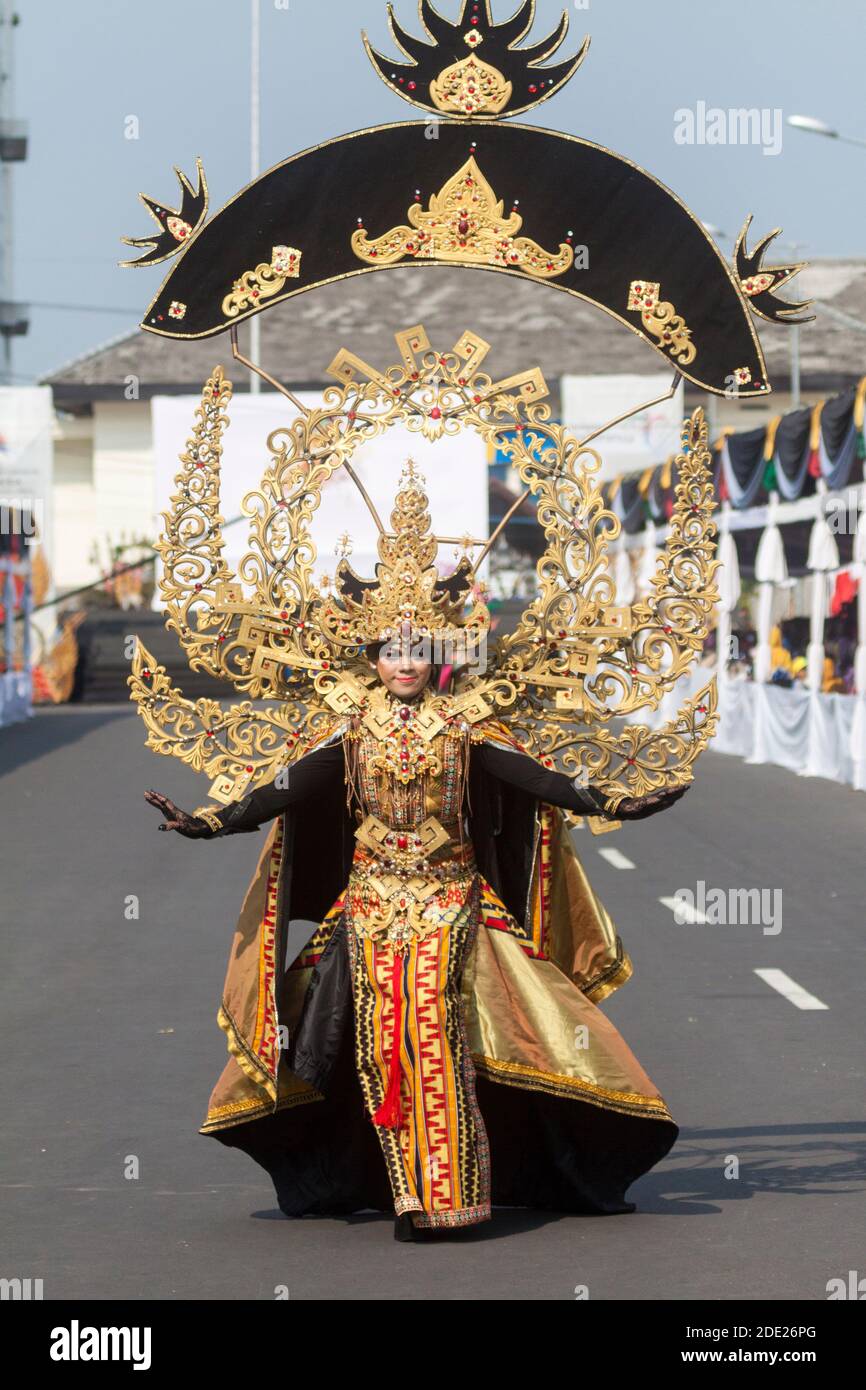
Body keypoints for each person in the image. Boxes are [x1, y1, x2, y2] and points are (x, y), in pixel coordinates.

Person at [145, 629, 686, 1240]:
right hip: (370, 903)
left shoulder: (465, 726)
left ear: (436, 662)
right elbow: (282, 792)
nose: (405, 665)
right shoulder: (352, 729)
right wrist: (209, 822)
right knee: (378, 1044)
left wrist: (612, 803)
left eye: (417, 654)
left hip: (450, 897)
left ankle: (450, 1195)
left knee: (432, 1029)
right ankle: (401, 1190)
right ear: (374, 662)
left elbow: (540, 781)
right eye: (393, 654)